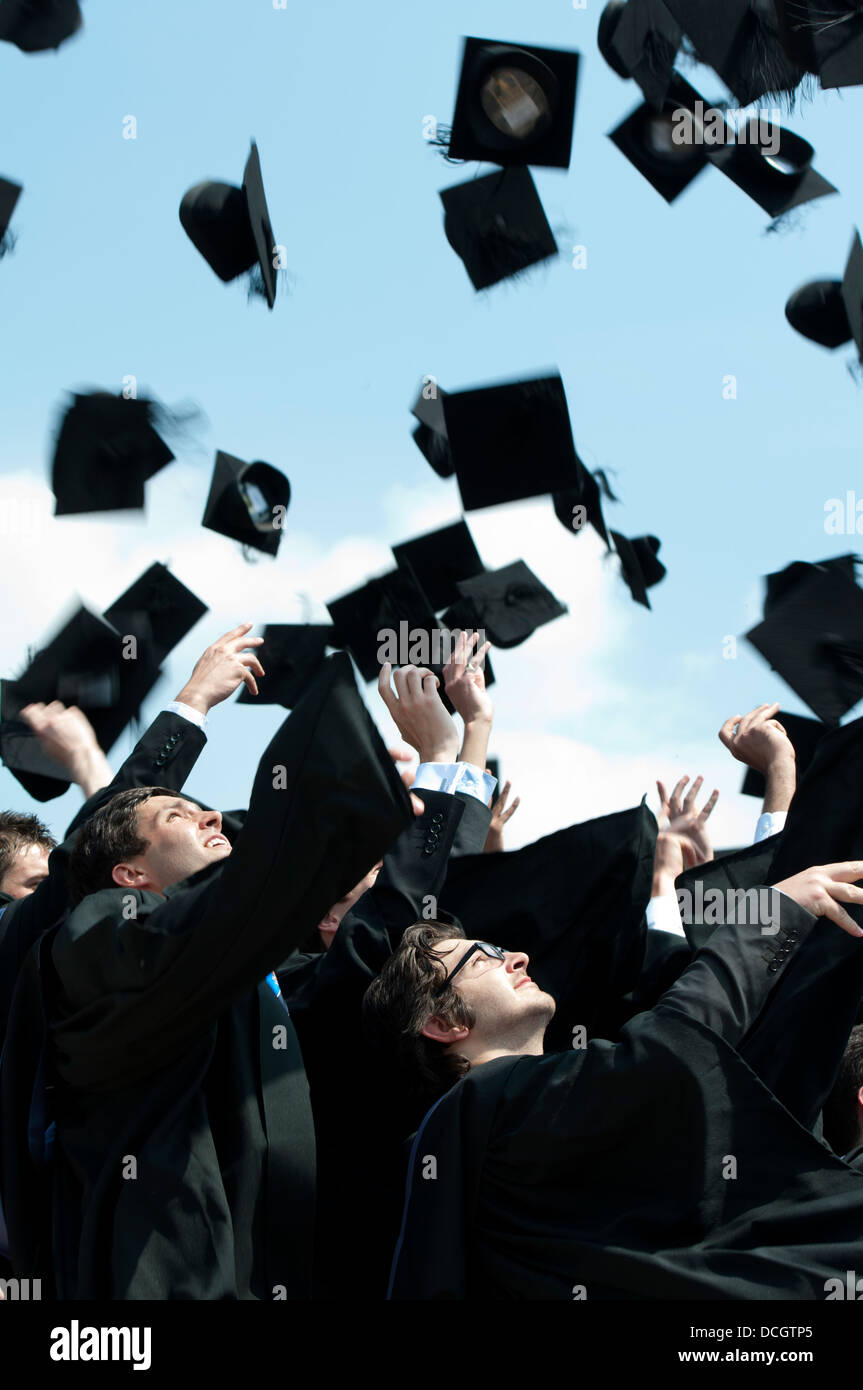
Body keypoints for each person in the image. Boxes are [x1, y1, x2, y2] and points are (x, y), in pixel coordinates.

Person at [0, 646, 416, 1300]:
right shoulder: (74, 938)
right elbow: (90, 870)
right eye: (31, 882)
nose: (213, 817)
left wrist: (358, 817)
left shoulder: (253, 976)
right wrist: (190, 708)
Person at [370, 858, 863, 1300]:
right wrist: (768, 917)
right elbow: (667, 1052)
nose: (516, 957)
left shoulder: (496, 1138)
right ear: (444, 1023)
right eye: (482, 958)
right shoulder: (491, 1108)